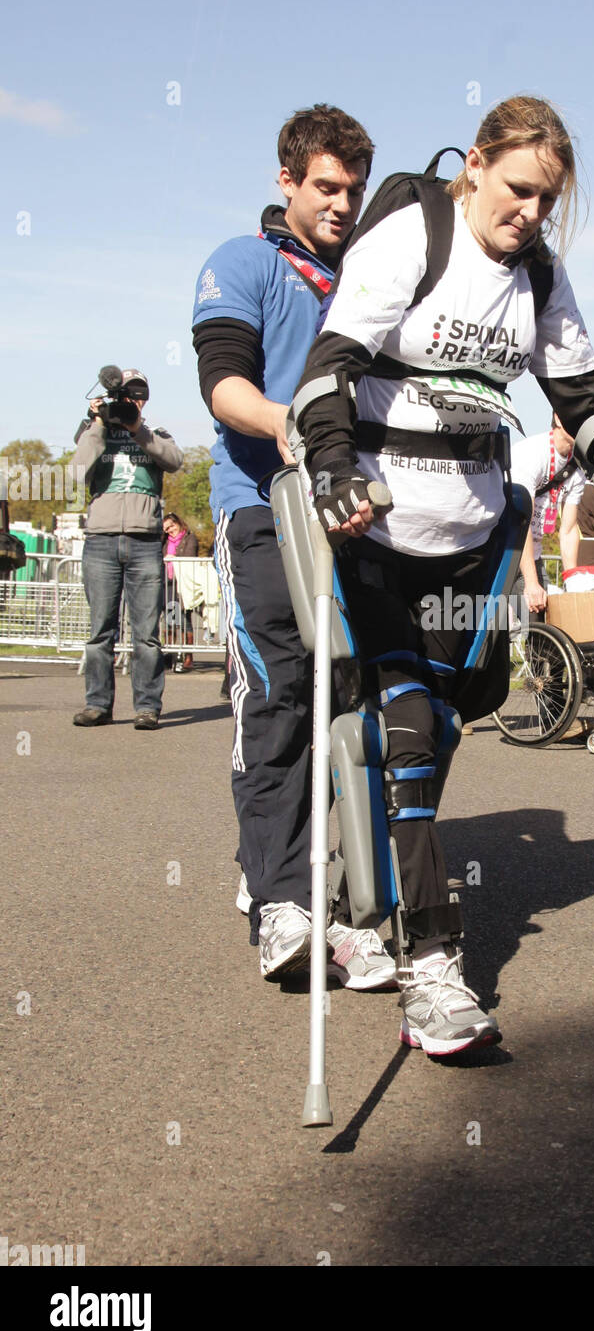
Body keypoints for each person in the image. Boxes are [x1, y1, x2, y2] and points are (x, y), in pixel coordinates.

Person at [291, 94, 594, 1055]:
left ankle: (379, 864)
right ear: (474, 165)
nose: (528, 214)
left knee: (460, 706)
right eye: (517, 189)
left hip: (474, 541)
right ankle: (432, 969)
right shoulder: (409, 241)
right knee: (411, 736)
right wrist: (334, 464)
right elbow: (324, 371)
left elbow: (585, 400)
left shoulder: (540, 276)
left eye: (547, 201)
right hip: (380, 533)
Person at [191, 103, 397, 989]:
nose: (341, 205)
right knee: (277, 695)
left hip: (351, 515)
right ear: (287, 180)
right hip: (264, 506)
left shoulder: (369, 279)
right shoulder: (244, 261)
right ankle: (281, 900)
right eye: (325, 187)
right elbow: (222, 385)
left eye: (352, 190)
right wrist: (294, 423)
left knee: (346, 704)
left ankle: (323, 888)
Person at [71, 370, 183, 729]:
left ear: (144, 399)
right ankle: (97, 705)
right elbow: (76, 471)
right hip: (101, 540)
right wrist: (97, 423)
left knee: (146, 632)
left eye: (136, 395)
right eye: (125, 395)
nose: (129, 401)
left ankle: (147, 707)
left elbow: (174, 460)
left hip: (145, 541)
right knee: (100, 630)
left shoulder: (156, 433)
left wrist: (137, 429)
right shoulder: (92, 430)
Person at [510, 413, 585, 614]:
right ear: (559, 419)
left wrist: (572, 583)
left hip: (531, 554)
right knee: (489, 629)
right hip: (505, 550)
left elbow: (568, 531)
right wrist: (531, 583)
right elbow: (521, 520)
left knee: (545, 624)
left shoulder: (576, 469)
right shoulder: (532, 453)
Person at [162, 513, 199, 671]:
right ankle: (169, 655)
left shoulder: (189, 538)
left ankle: (188, 656)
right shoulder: (164, 541)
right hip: (169, 583)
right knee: (170, 620)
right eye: (166, 529)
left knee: (184, 619)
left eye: (171, 526)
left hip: (184, 583)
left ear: (178, 523)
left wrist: (174, 557)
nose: (169, 530)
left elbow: (190, 555)